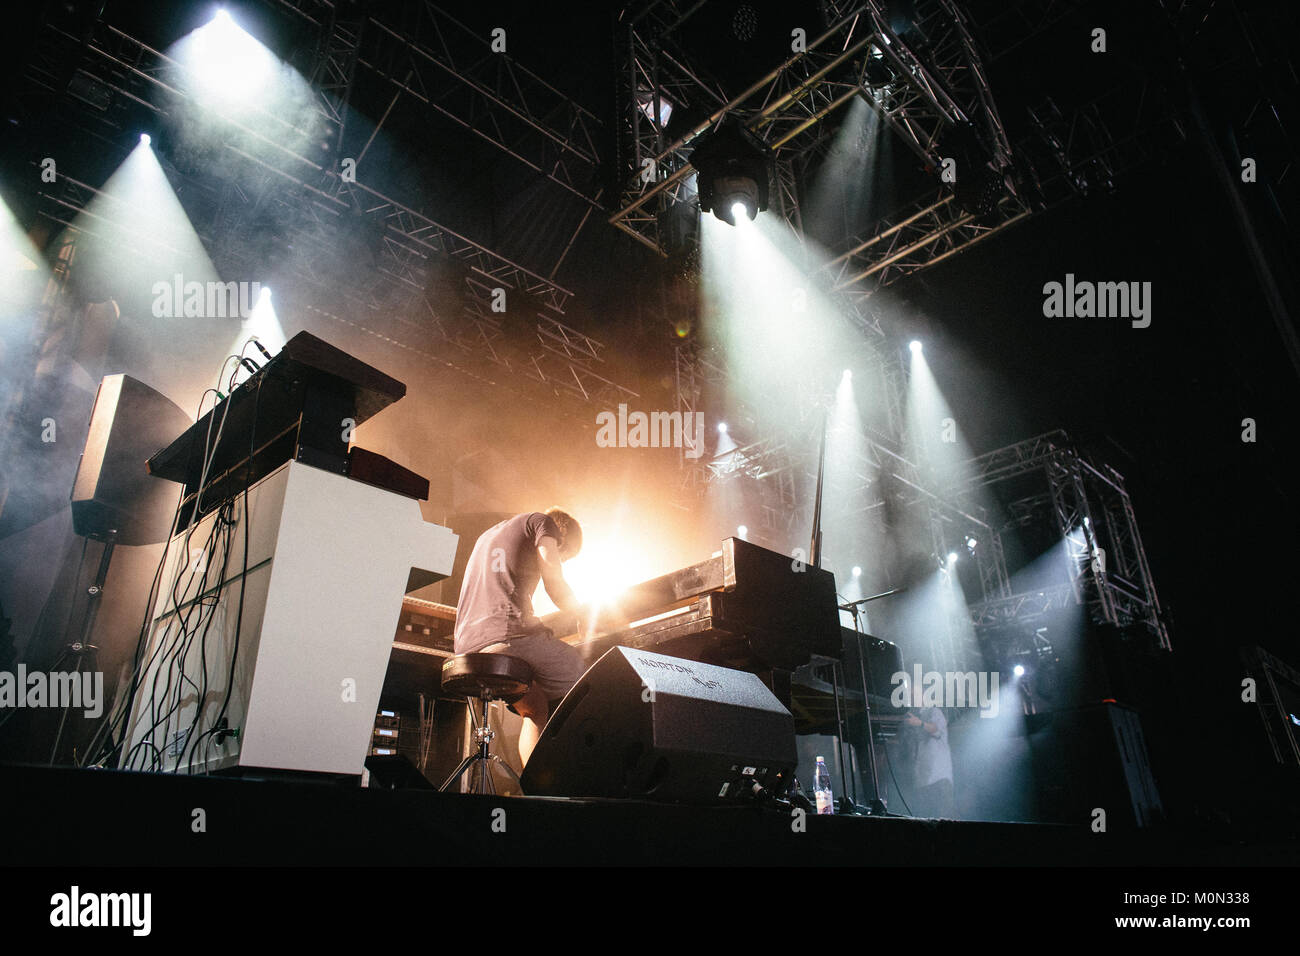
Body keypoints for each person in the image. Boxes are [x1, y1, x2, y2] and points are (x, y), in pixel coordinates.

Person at [453, 508, 585, 766]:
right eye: (565, 557)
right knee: (586, 680)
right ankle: (581, 776)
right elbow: (555, 584)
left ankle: (535, 783)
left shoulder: (488, 535)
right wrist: (585, 615)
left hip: (466, 645)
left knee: (535, 708)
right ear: (560, 540)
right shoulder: (542, 523)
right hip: (506, 637)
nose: (562, 561)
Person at [905, 705, 955, 818]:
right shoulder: (913, 718)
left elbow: (936, 729)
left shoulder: (934, 712)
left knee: (942, 819)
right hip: (922, 782)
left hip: (939, 779)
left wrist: (920, 723)